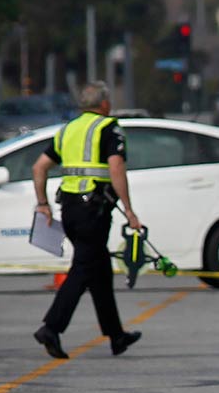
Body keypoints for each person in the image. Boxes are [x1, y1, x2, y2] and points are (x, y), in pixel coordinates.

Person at [29, 81, 143, 359]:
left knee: (99, 270)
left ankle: (116, 335)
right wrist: (129, 209)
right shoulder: (109, 128)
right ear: (104, 104)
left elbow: (39, 167)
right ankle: (51, 327)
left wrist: (42, 203)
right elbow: (116, 168)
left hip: (69, 209)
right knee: (83, 269)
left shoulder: (68, 130)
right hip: (93, 210)